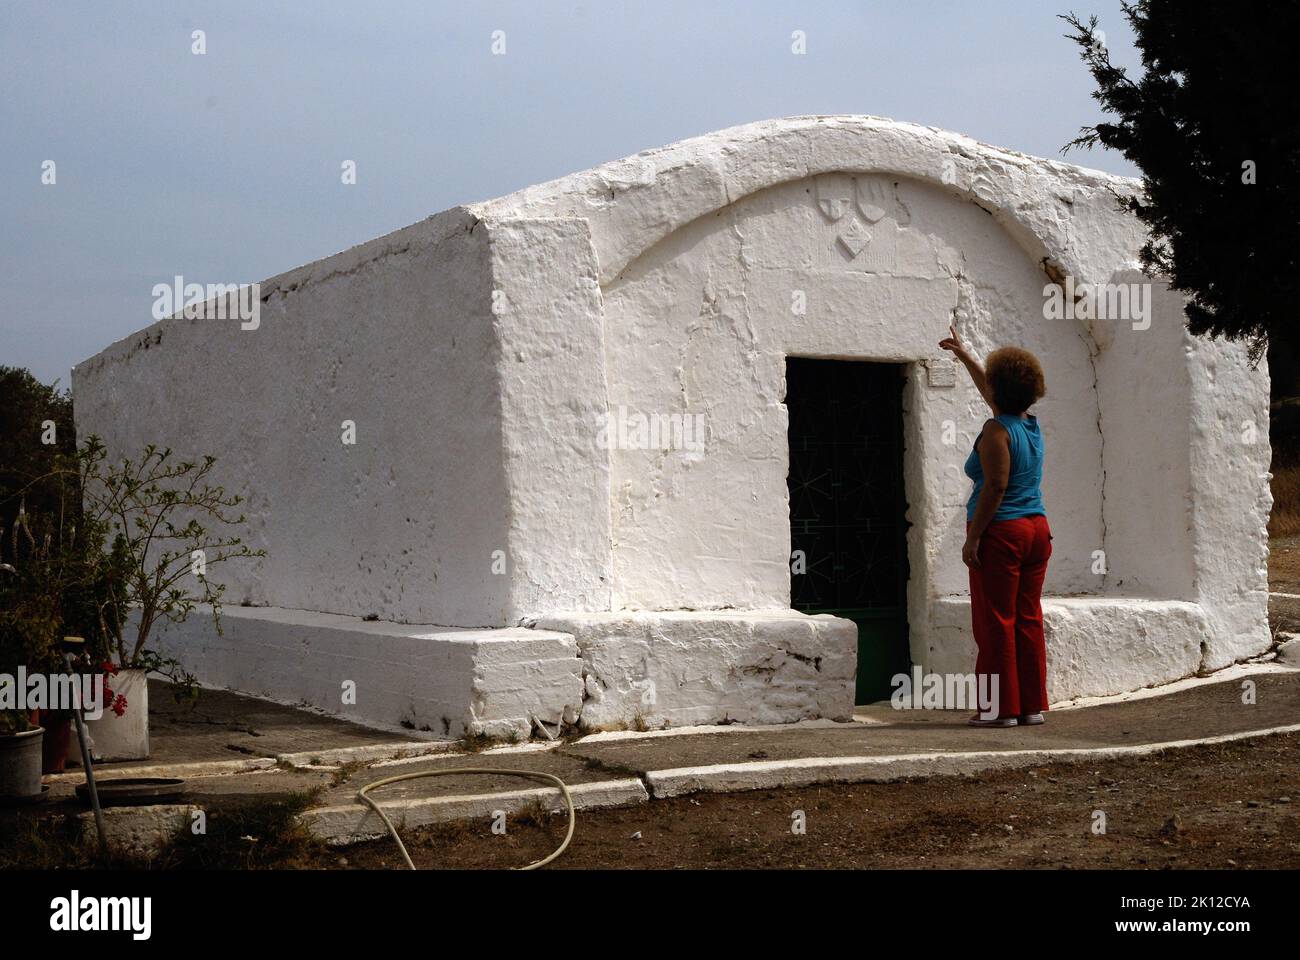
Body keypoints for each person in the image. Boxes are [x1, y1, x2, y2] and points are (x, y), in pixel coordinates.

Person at [939, 324, 1051, 728]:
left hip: (1002, 533)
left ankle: (998, 709)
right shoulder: (1027, 423)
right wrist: (965, 355)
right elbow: (995, 393)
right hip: (1037, 530)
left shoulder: (995, 431)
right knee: (1026, 617)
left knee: (994, 621)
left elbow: (996, 486)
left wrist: (974, 537)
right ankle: (1030, 706)